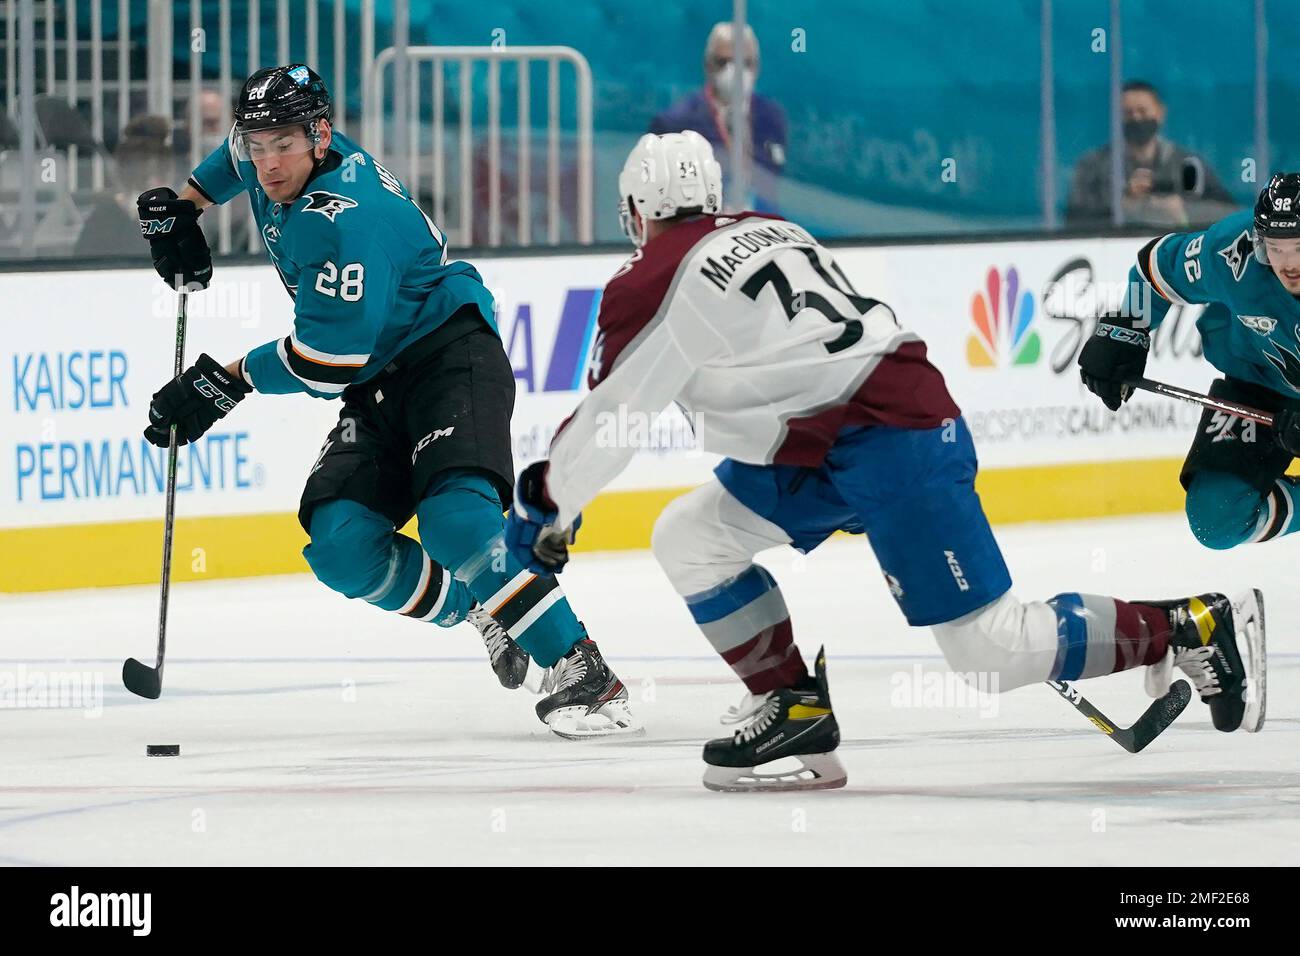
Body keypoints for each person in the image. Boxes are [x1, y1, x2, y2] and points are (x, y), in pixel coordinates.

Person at [505, 131, 1265, 791]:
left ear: (636, 210)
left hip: (882, 435)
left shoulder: (648, 278)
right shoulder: (773, 228)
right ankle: (792, 705)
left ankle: (1191, 625)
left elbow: (615, 415)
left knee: (990, 652)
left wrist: (546, 506)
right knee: (691, 534)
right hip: (843, 433)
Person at [134, 64, 639, 738]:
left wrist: (224, 380)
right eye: (259, 143)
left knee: (456, 525)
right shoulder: (265, 152)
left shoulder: (346, 220)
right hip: (379, 383)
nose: (267, 161)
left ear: (319, 134)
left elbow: (327, 361)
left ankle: (582, 669)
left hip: (447, 357)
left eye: (282, 143)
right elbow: (228, 157)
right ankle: (484, 604)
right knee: (341, 547)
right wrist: (187, 207)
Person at [1081, 172, 1300, 562]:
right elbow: (1159, 268)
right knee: (1216, 519)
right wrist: (1125, 329)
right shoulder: (1234, 253)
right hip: (1258, 385)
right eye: (1277, 248)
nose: (1289, 264)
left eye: (1299, 247)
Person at [649, 22, 786, 214]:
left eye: (744, 63)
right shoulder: (675, 124)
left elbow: (776, 186)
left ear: (757, 68)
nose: (735, 72)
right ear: (708, 66)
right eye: (724, 63)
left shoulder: (772, 118)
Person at [1065, 80, 1237, 229]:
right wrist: (1122, 207)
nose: (1136, 118)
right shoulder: (1094, 165)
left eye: (1143, 111)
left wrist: (1182, 212)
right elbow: (1073, 221)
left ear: (1160, 112)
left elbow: (1229, 213)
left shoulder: (1188, 163)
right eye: (1128, 113)